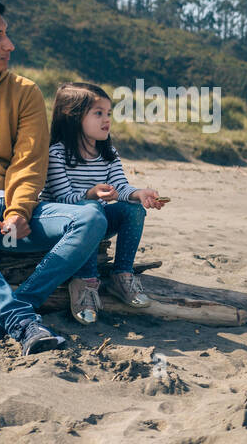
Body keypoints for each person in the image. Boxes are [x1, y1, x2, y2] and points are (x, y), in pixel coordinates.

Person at [0, 0, 106, 354]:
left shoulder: (24, 92)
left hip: (17, 210)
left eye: (6, 34)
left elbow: (29, 160)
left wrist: (18, 210)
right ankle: (24, 323)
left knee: (91, 217)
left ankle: (11, 310)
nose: (9, 45)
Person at [41, 82, 166, 323]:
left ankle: (122, 276)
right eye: (98, 113)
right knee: (91, 210)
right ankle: (85, 282)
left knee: (133, 210)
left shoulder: (109, 154)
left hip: (96, 219)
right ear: (74, 117)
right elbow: (61, 197)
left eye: (108, 113)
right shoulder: (56, 154)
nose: (106, 119)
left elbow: (119, 187)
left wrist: (139, 193)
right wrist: (91, 194)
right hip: (64, 225)